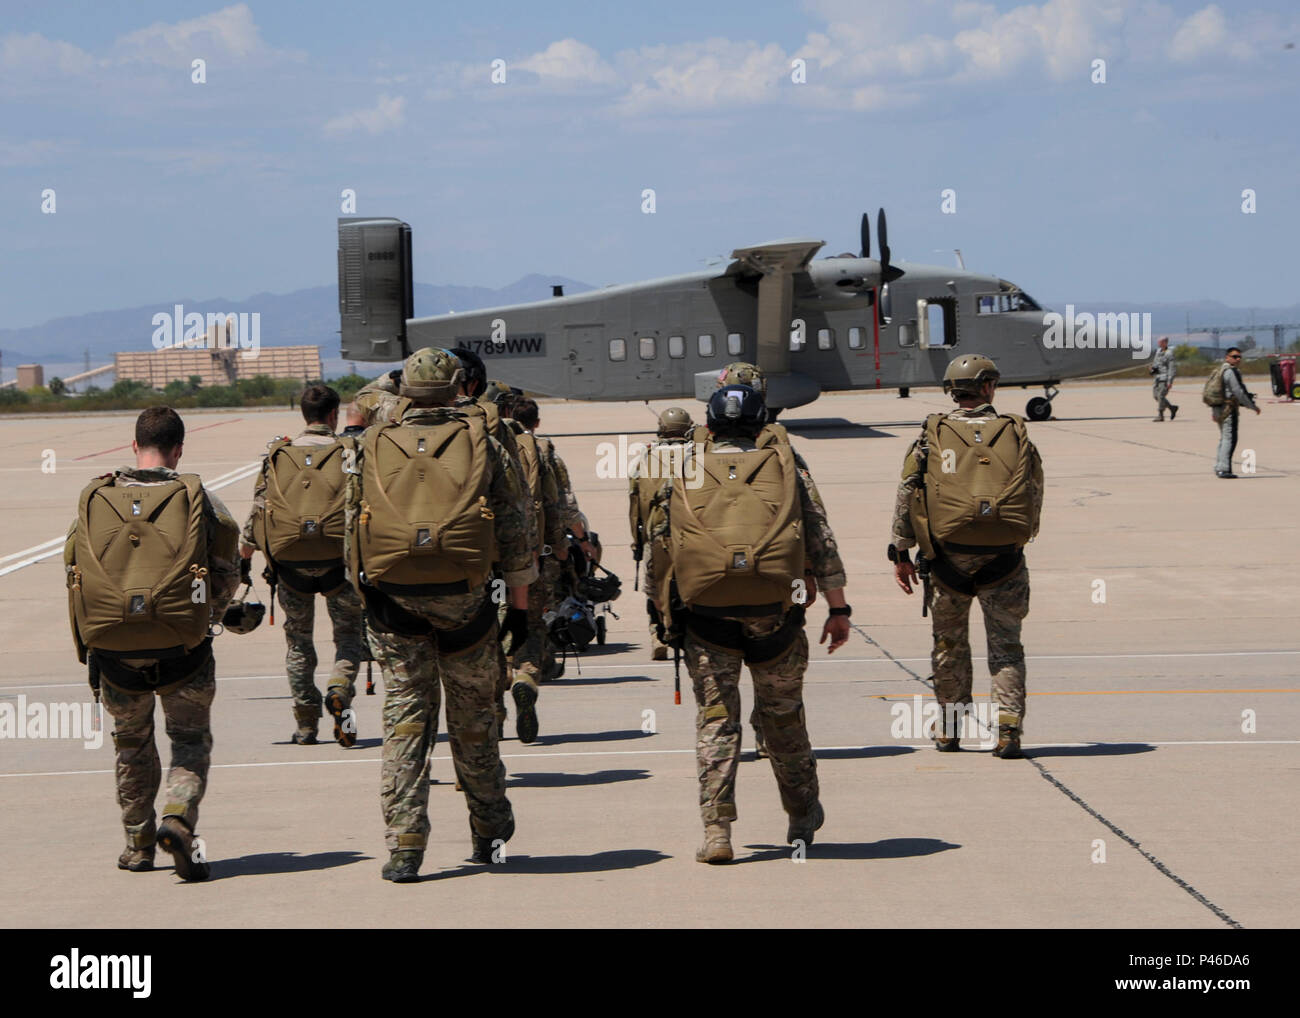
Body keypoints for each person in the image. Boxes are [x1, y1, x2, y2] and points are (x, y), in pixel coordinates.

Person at [344, 348, 535, 882]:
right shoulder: (485, 438)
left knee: (406, 723)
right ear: (457, 388)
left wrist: (367, 598)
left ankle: (406, 846)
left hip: (394, 603)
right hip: (466, 601)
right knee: (475, 722)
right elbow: (518, 532)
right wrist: (518, 612)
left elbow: (350, 525)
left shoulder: (375, 438)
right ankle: (491, 829)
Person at [646, 383, 851, 864]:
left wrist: (661, 611)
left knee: (717, 723)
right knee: (783, 719)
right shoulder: (785, 466)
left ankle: (717, 831)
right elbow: (820, 536)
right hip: (776, 616)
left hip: (706, 618)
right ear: (761, 424)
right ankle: (801, 816)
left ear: (710, 425)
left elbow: (659, 542)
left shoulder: (682, 468)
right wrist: (839, 609)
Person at [64, 406, 240, 880]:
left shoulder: (97, 499)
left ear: (133, 445)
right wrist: (211, 621)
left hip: (116, 653)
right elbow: (225, 573)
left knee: (131, 746)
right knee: (189, 740)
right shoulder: (200, 500)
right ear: (179, 449)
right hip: (184, 653)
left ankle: (138, 845)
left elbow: (74, 573)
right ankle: (178, 816)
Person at [889, 354, 1043, 759]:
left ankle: (950, 728)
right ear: (989, 387)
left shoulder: (930, 436)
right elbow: (1034, 490)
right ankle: (1008, 729)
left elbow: (909, 492)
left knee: (948, 646)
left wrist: (900, 550)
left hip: (947, 561)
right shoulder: (1014, 431)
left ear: (952, 391)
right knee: (1007, 647)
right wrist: (1019, 539)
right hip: (1004, 559)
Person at [240, 384, 365, 746]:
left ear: (304, 415)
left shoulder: (278, 454)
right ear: (333, 415)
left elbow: (259, 511)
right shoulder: (350, 452)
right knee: (348, 637)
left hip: (291, 566)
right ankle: (340, 687)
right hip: (338, 565)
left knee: (298, 643)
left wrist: (245, 558)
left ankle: (306, 724)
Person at [512, 397, 595, 682]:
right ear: (536, 423)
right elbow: (562, 504)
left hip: (497, 552)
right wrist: (570, 544)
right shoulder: (546, 453)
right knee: (536, 616)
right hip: (538, 552)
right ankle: (534, 669)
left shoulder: (491, 447)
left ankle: (504, 669)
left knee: (499, 610)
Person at [501, 396, 569, 742]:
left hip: (485, 563)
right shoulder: (540, 449)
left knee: (488, 637)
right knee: (530, 623)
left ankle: (488, 721)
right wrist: (558, 546)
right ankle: (527, 677)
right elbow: (557, 502)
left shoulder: (479, 444)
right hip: (531, 557)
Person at [629, 407, 694, 660]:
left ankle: (661, 631)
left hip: (656, 533)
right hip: (691, 534)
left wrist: (638, 541)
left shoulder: (645, 458)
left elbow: (635, 506)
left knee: (654, 586)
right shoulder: (698, 455)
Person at [1205, 347, 1260, 479]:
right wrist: (1252, 406)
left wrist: (1214, 410)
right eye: (1235, 356)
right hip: (1228, 410)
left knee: (1224, 438)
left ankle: (1219, 466)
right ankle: (1224, 469)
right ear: (1227, 358)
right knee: (1229, 439)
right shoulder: (1231, 372)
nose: (1238, 359)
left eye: (1239, 357)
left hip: (1219, 409)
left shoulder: (1219, 370)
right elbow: (1238, 392)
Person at [1149, 337, 1179, 421]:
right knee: (1156, 396)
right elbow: (1156, 364)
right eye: (1158, 342)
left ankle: (1160, 415)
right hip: (1157, 378)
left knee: (1161, 396)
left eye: (1160, 342)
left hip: (1165, 378)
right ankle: (1172, 408)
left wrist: (1170, 381)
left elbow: (1172, 368)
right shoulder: (1158, 352)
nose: (1158, 343)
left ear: (1165, 343)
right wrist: (1152, 370)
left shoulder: (1169, 353)